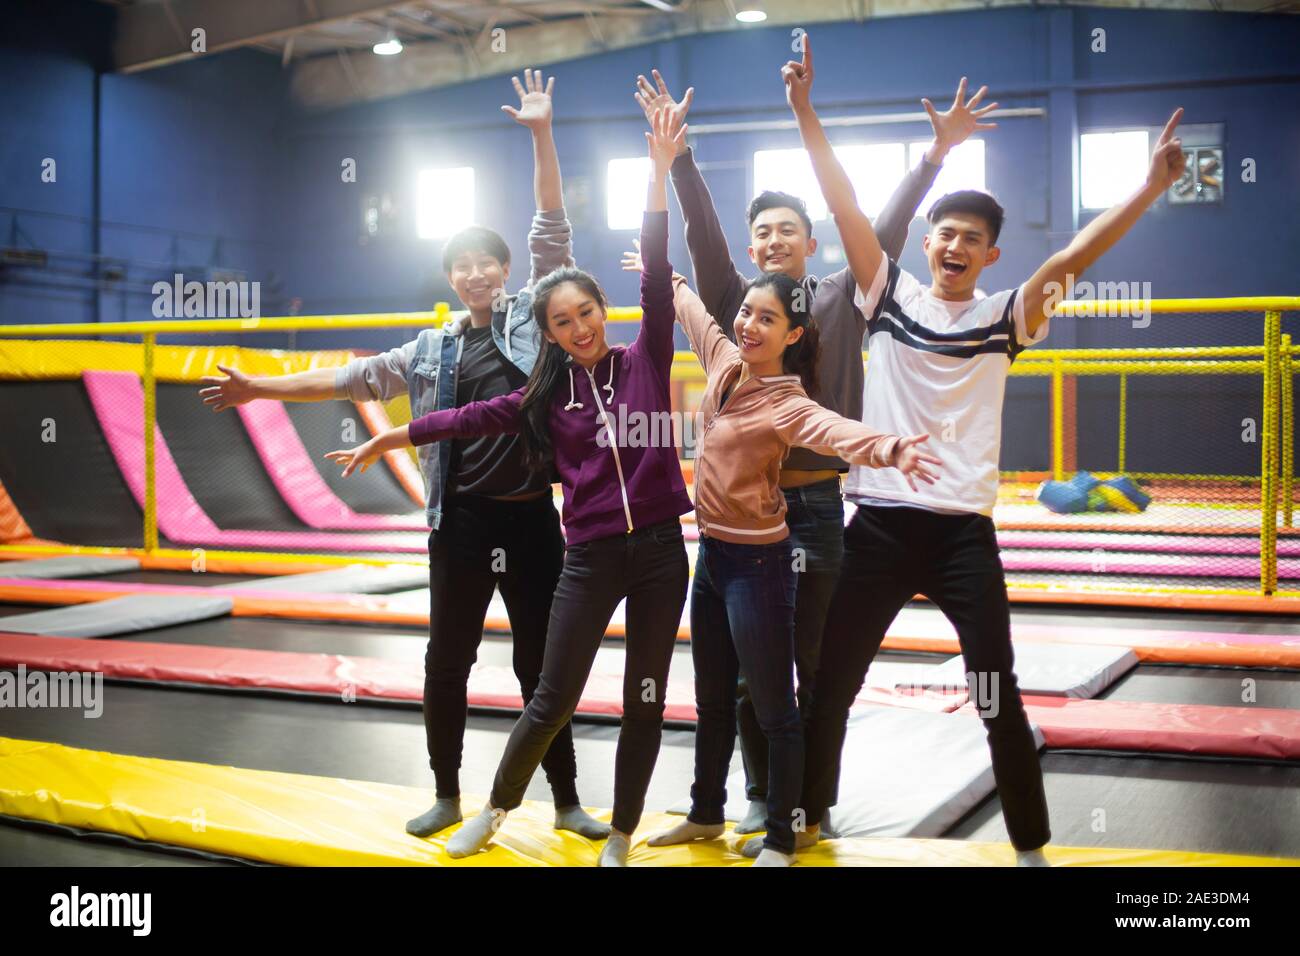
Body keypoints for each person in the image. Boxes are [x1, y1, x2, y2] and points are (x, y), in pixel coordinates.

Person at [787, 35, 1188, 864]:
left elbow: (1077, 255)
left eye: (971, 237)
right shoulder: (885, 293)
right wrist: (803, 110)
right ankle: (802, 825)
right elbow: (845, 205)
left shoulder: (1008, 316)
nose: (955, 246)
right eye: (945, 234)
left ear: (990, 254)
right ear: (927, 242)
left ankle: (1031, 846)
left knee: (996, 694)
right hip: (881, 525)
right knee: (830, 685)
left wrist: (1149, 185)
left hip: (963, 535)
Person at [198, 71, 607, 843]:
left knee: (541, 673)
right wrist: (259, 386)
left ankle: (564, 800)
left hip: (531, 523)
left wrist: (542, 134)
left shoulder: (534, 318)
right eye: (463, 267)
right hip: (459, 525)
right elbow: (349, 376)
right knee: (445, 663)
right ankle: (449, 795)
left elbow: (552, 224)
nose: (478, 273)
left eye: (488, 262)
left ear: (506, 271)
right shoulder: (428, 351)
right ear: (451, 279)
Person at [324, 110, 705, 867]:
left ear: (603, 312)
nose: (578, 327)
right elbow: (463, 418)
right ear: (551, 331)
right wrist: (391, 435)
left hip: (663, 552)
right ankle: (491, 811)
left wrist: (658, 173)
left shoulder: (646, 357)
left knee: (645, 699)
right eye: (562, 321)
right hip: (591, 554)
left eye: (587, 313)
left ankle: (621, 832)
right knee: (550, 695)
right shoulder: (544, 394)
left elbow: (657, 274)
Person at [627, 67, 997, 833]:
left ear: (811, 242)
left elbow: (886, 227)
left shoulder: (844, 296)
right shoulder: (738, 305)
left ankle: (805, 803)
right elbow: (699, 236)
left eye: (785, 230)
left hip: (818, 505)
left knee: (811, 661)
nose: (771, 240)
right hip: (744, 514)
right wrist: (680, 157)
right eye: (761, 231)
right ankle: (760, 797)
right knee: (737, 672)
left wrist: (934, 157)